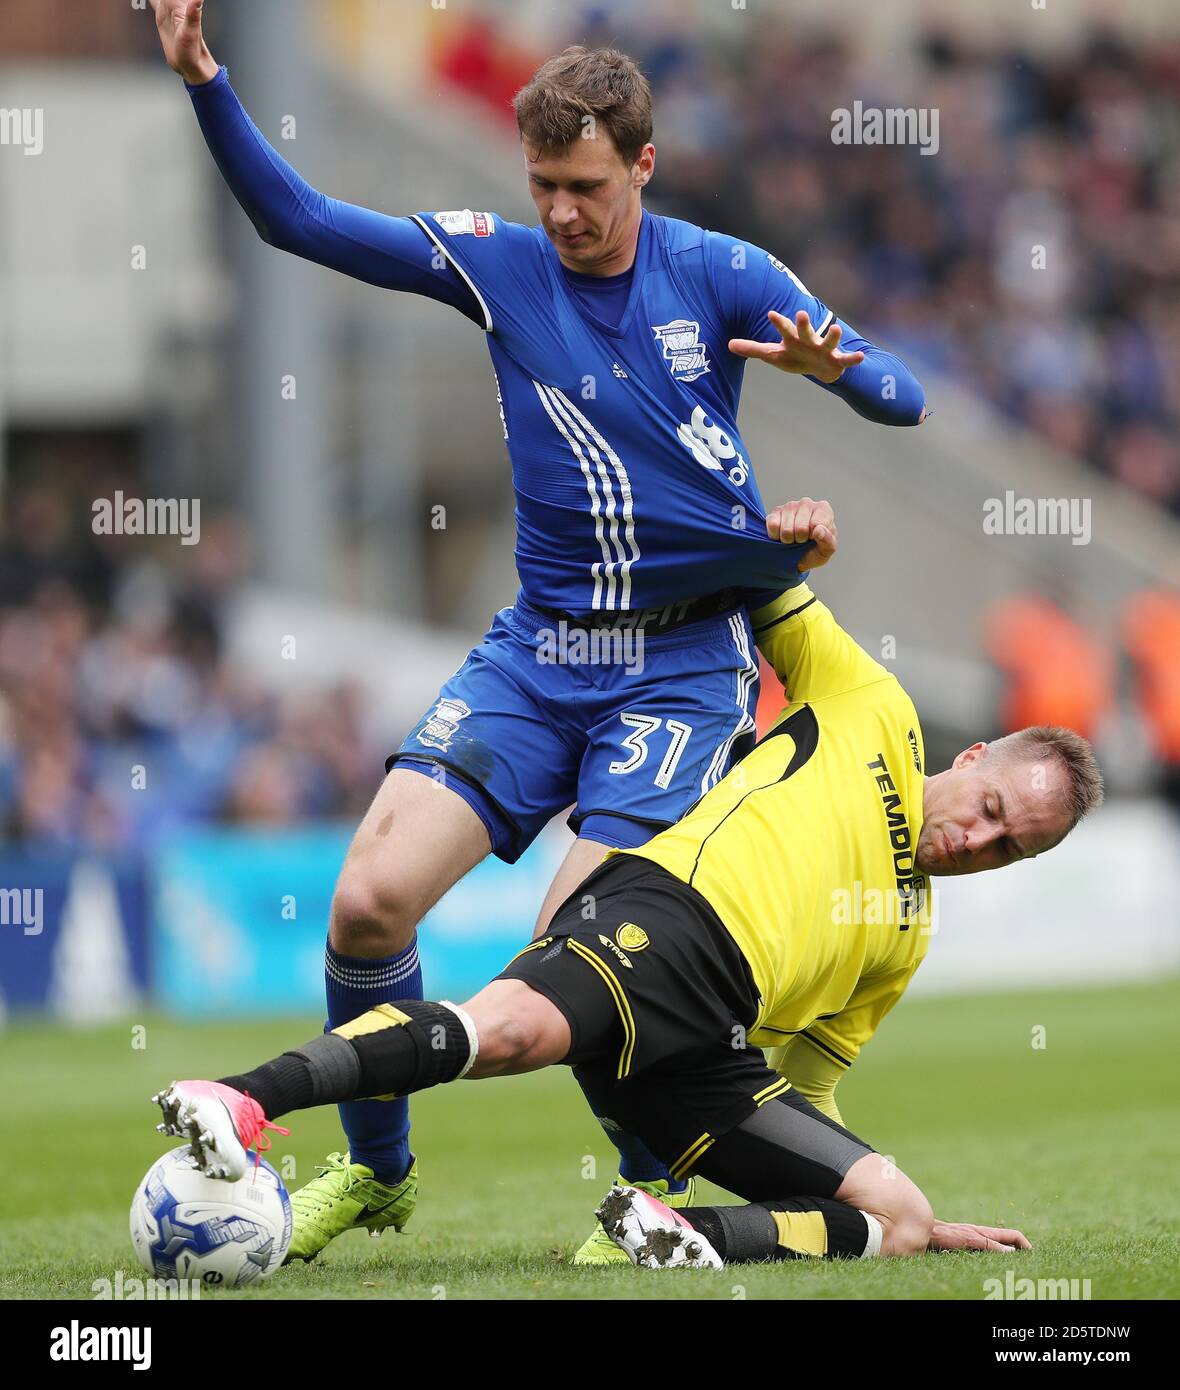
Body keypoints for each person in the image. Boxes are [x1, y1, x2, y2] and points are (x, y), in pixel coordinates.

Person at [150, 0, 927, 1261]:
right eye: (543, 184)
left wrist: (834, 371)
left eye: (584, 186)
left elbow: (905, 395)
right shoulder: (497, 263)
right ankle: (380, 1176)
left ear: (642, 166)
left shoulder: (721, 273)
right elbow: (295, 221)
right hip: (539, 650)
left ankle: (657, 1204)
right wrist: (208, 81)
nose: (561, 211)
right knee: (364, 905)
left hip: (680, 671)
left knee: (576, 965)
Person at [152, 506, 1101, 1268]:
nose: (977, 840)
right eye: (988, 807)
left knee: (899, 1218)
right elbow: (764, 586)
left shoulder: (905, 932)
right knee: (508, 1030)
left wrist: (846, 1172)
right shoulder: (875, 711)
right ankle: (241, 1097)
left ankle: (669, 1232)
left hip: (709, 1057)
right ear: (973, 755)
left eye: (1008, 848)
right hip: (672, 920)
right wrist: (790, 534)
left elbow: (809, 1086)